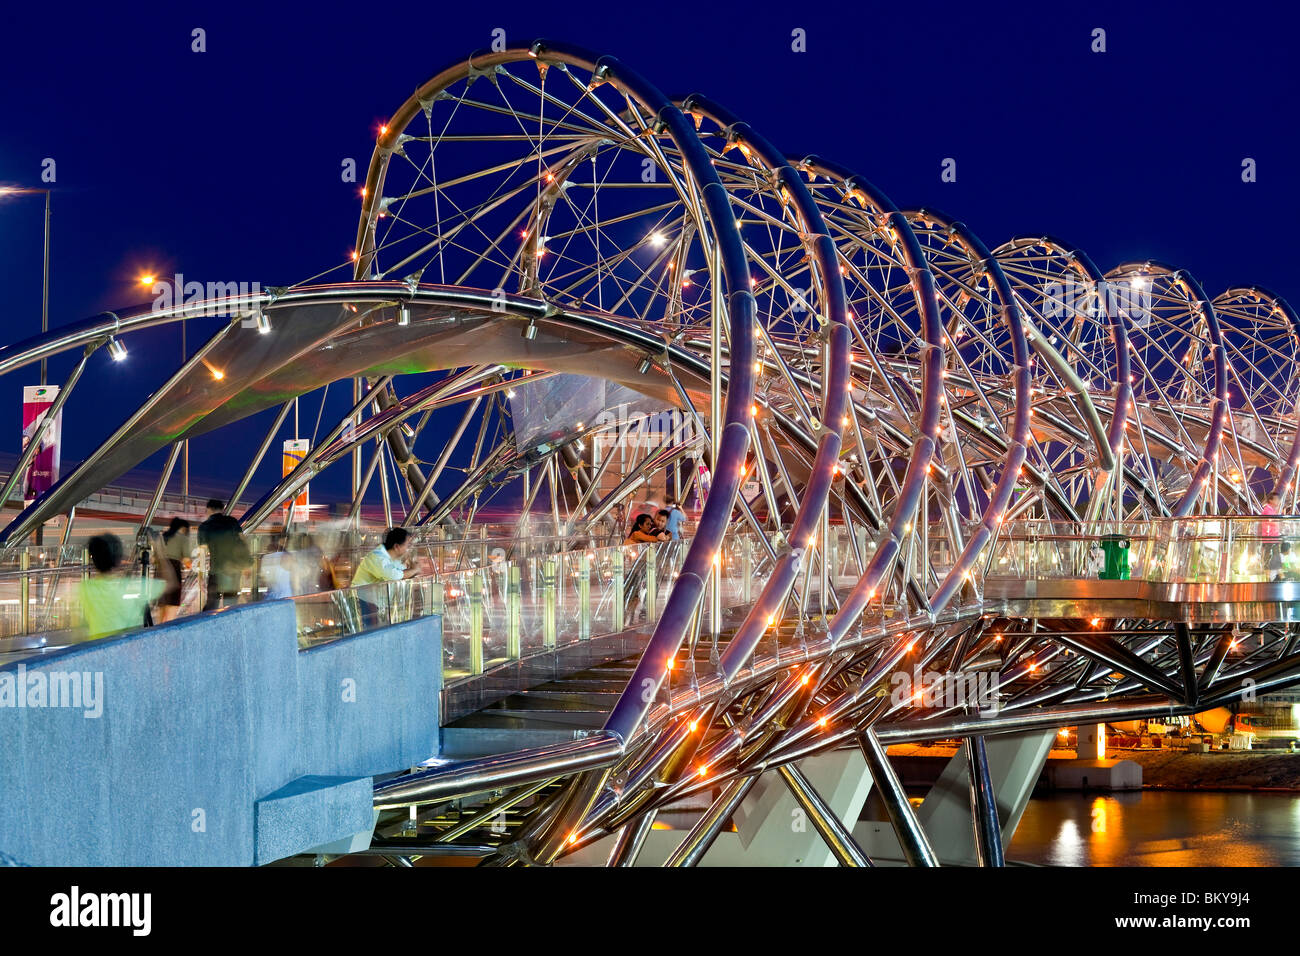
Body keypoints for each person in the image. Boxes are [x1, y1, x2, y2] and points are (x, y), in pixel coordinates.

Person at [78, 533, 172, 640]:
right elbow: (171, 583)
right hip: (124, 650)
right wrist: (160, 551)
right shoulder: (133, 587)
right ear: (118, 559)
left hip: (97, 650)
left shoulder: (85, 588)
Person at [352, 527, 417, 625]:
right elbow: (395, 575)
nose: (408, 549)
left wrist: (411, 568)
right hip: (361, 604)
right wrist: (415, 569)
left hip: (372, 603)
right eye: (407, 545)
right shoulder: (377, 557)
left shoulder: (390, 558)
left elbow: (402, 571)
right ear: (397, 547)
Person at [197, 499, 251, 610]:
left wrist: (201, 576)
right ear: (221, 509)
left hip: (216, 570)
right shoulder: (232, 521)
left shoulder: (205, 526)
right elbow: (243, 541)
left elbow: (202, 553)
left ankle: (208, 625)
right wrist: (246, 565)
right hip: (234, 569)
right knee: (231, 603)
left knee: (212, 604)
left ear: (209, 510)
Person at [158, 517, 191, 622]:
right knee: (172, 603)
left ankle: (158, 628)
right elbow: (186, 560)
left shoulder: (162, 537)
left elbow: (154, 557)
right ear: (183, 528)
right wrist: (191, 565)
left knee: (162, 603)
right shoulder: (183, 539)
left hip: (160, 570)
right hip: (174, 569)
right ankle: (167, 629)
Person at [260, 533, 295, 600]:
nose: (288, 544)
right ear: (283, 540)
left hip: (269, 599)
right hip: (285, 598)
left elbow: (264, 581)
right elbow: (296, 583)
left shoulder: (265, 558)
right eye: (287, 541)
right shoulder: (287, 557)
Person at [1262, 491, 1283, 581]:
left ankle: (1276, 577)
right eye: (1277, 499)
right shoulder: (1267, 510)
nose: (1278, 501)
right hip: (1270, 539)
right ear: (1270, 500)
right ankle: (1268, 579)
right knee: (1270, 559)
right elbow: (1274, 522)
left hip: (1273, 538)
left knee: (1275, 559)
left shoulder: (1272, 510)